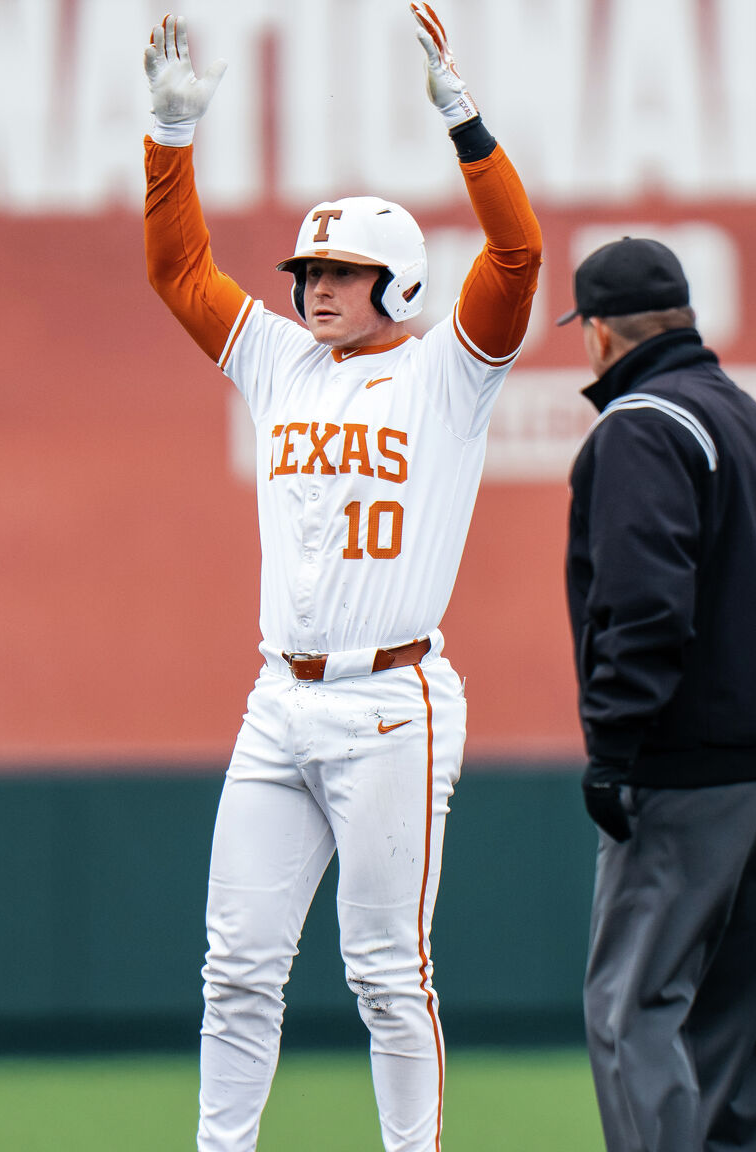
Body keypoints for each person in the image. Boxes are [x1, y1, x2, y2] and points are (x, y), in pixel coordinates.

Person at [141, 7, 542, 1152]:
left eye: (343, 271)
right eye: (309, 269)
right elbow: (177, 270)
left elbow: (516, 258)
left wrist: (462, 122)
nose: (315, 286)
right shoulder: (280, 360)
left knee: (383, 970)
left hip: (390, 702)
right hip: (279, 700)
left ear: (399, 284)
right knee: (235, 966)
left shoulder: (448, 372)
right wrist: (169, 138)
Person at [561, 237, 756, 1152]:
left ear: (600, 333)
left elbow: (644, 605)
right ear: (682, 318)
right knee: (731, 1019)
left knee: (632, 1010)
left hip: (691, 771)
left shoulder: (642, 425)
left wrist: (613, 747)